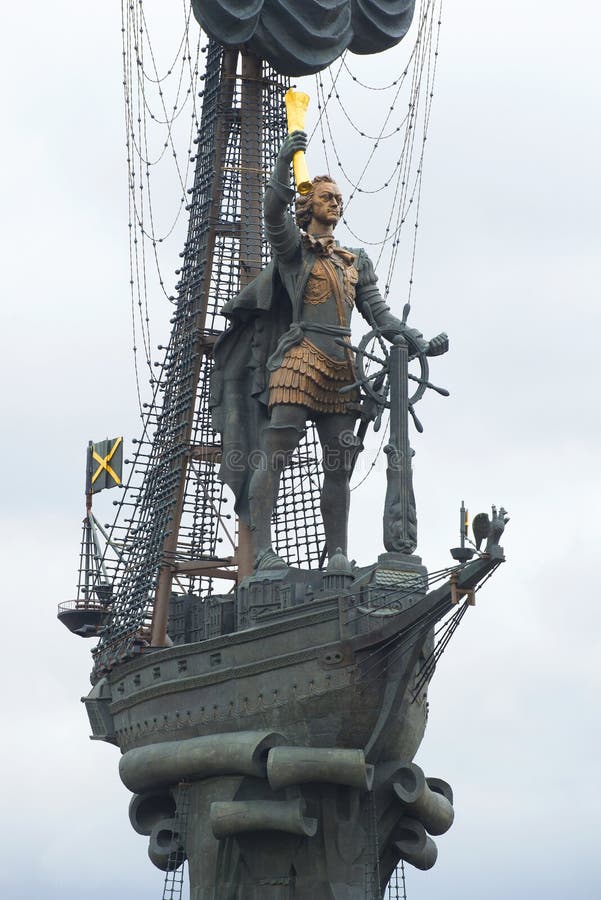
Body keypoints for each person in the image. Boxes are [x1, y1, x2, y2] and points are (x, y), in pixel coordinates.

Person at [210, 131, 447, 570]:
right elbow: (272, 213)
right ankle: (263, 553)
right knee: (276, 451)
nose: (336, 202)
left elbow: (382, 319)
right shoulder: (294, 252)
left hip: (343, 367)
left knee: (339, 462)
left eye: (338, 197)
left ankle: (336, 551)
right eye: (326, 197)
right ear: (309, 206)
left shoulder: (355, 261)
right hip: (300, 359)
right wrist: (284, 162)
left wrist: (417, 340)